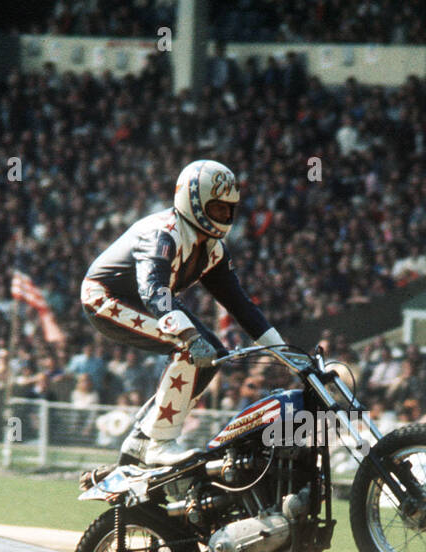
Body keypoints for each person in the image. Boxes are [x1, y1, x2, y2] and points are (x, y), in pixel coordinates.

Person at [78, 159, 285, 476]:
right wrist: (189, 337)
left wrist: (285, 353)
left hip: (145, 299)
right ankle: (159, 442)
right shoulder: (165, 233)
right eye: (218, 208)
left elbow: (241, 306)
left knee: (214, 354)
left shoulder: (212, 248)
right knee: (191, 349)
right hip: (106, 296)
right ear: (194, 201)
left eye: (230, 209)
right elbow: (154, 291)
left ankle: (141, 439)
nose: (226, 217)